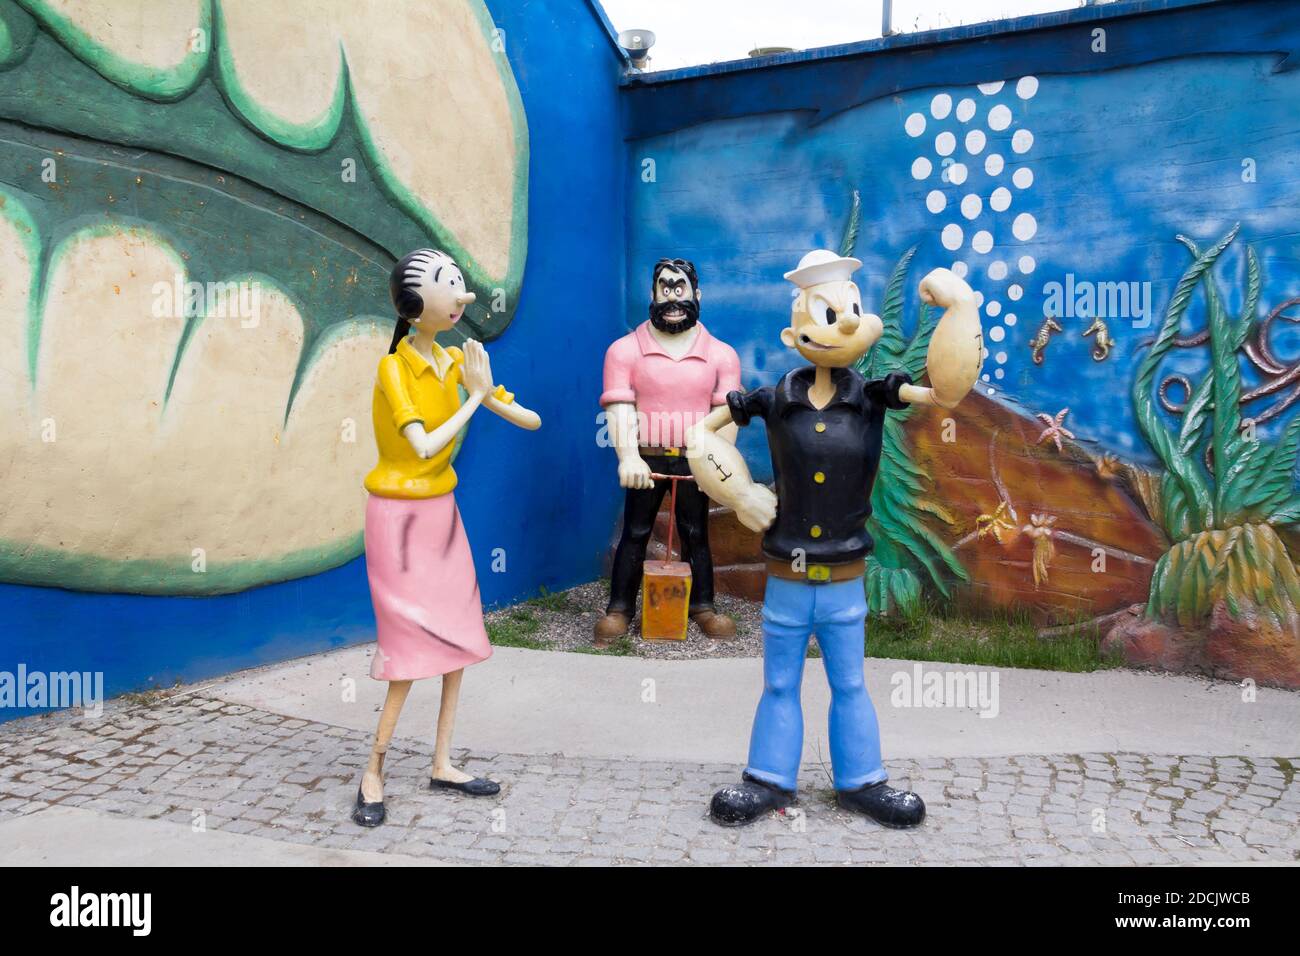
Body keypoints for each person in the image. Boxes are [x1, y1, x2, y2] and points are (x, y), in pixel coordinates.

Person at [686, 249, 982, 828]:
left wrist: (961, 306)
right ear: (793, 331)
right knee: (778, 683)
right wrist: (740, 493)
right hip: (787, 581)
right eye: (827, 313)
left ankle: (862, 781)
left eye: (850, 309)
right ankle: (768, 779)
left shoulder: (874, 397)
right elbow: (700, 436)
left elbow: (945, 393)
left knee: (850, 682)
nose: (845, 323)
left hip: (846, 579)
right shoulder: (773, 401)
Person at [353, 248, 541, 828]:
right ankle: (374, 770)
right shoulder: (393, 368)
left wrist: (491, 391)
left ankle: (442, 761)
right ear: (412, 308)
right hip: (400, 523)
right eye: (446, 284)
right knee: (409, 652)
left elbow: (529, 420)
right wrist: (478, 399)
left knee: (457, 641)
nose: (461, 295)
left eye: (460, 283)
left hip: (441, 515)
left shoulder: (458, 358)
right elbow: (425, 446)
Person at [595, 258, 742, 646]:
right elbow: (620, 407)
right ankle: (620, 608)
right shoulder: (624, 351)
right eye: (665, 288)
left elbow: (725, 412)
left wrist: (718, 465)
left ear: (697, 293)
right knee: (636, 531)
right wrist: (628, 457)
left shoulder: (721, 355)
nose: (673, 297)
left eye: (681, 288)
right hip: (647, 457)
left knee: (696, 533)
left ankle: (703, 605)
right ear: (652, 293)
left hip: (696, 458)